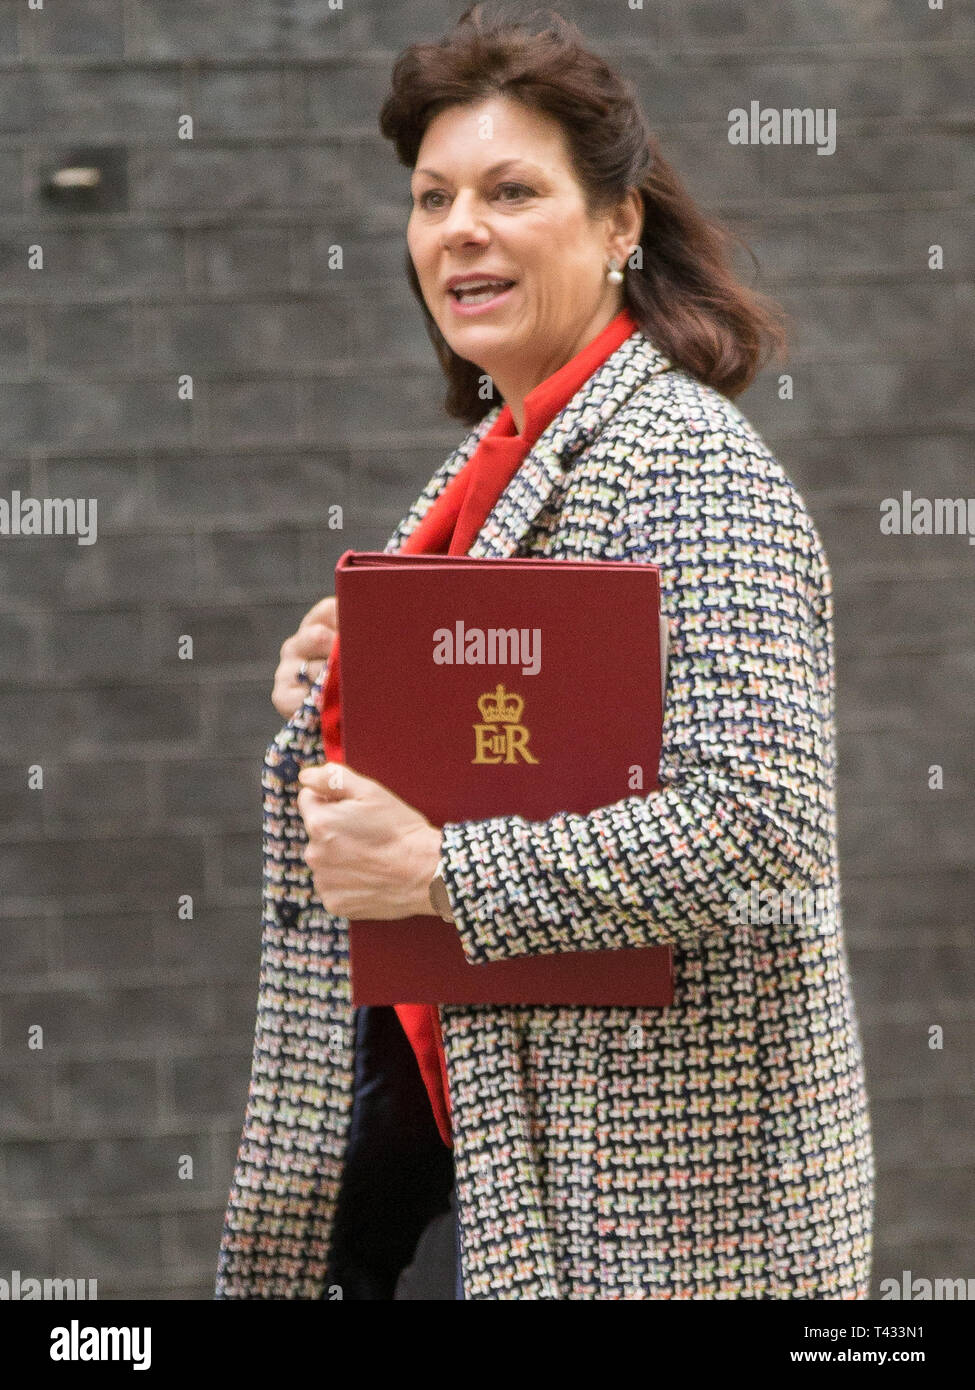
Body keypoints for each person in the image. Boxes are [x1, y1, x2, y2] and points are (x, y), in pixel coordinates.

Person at [215, 3, 874, 1300]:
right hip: (488, 1138)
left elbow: (763, 818)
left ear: (619, 224)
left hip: (647, 1208)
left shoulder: (683, 461)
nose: (459, 229)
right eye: (433, 196)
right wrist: (343, 684)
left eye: (511, 190)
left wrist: (439, 870)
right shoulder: (498, 458)